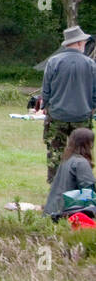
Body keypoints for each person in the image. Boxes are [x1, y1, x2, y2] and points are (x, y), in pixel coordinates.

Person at [40, 26, 96, 182]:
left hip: (57, 115)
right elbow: (95, 91)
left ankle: (56, 184)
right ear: (78, 43)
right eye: (84, 42)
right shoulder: (90, 64)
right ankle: (81, 183)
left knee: (55, 151)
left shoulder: (53, 62)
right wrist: (91, 108)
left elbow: (46, 90)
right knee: (82, 152)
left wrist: (47, 106)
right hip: (82, 116)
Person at [45, 127, 95, 219]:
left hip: (51, 211)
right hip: (65, 214)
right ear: (89, 144)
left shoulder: (67, 159)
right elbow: (89, 193)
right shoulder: (81, 163)